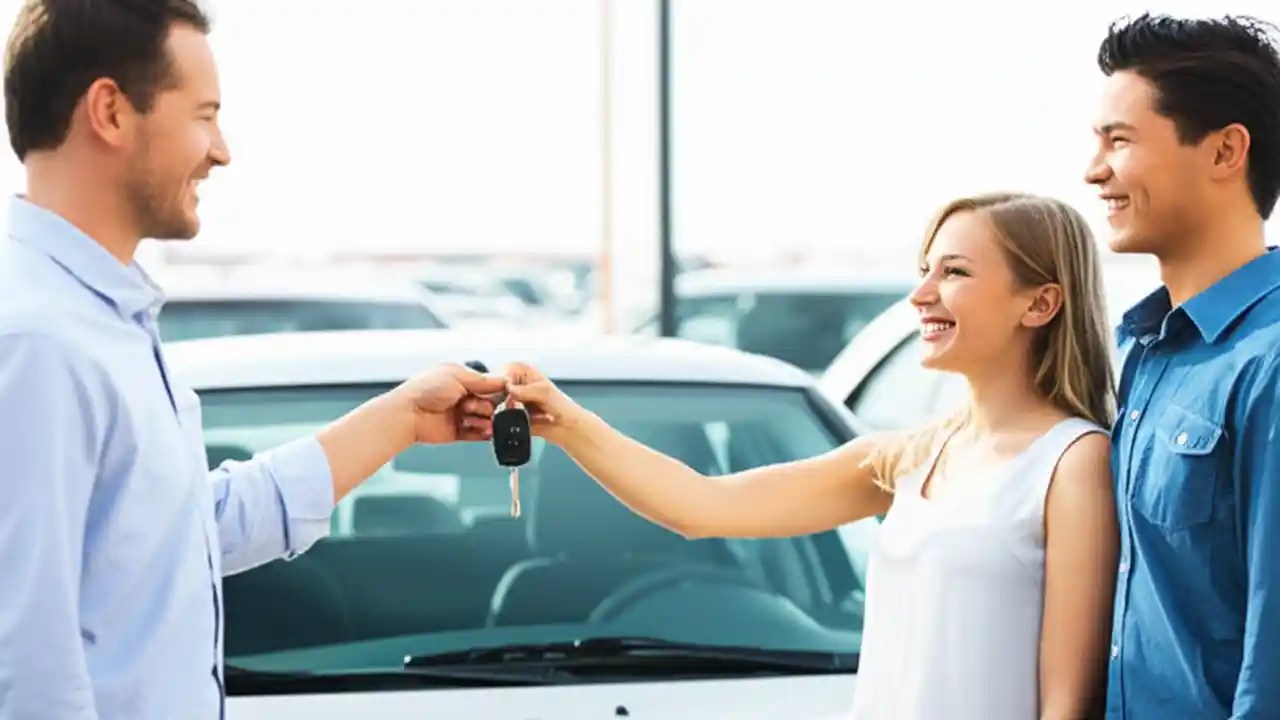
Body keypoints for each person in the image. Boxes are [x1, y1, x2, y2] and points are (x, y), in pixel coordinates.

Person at [0, 3, 504, 719]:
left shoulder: (95, 323)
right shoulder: (38, 344)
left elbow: (193, 531)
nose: (222, 150)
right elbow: (27, 672)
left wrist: (401, 421)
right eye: (203, 115)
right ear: (110, 112)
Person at [492, 192, 1120, 719]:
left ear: (1039, 303)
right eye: (924, 270)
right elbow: (702, 506)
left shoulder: (1071, 461)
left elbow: (1068, 706)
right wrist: (567, 425)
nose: (920, 294)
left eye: (953, 272)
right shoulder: (906, 457)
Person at [1085, 13, 1280, 719]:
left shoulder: (1271, 362)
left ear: (1226, 151)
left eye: (1120, 141)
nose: (1093, 170)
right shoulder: (1143, 350)